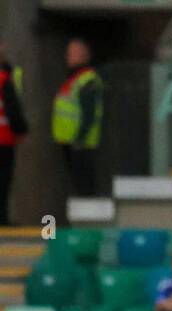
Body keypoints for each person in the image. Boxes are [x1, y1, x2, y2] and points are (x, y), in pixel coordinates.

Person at [52, 38, 102, 198]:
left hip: (82, 142)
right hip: (71, 141)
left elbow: (89, 113)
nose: (68, 56)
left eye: (72, 52)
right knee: (77, 184)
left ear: (84, 55)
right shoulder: (74, 78)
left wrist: (79, 138)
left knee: (85, 185)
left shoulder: (87, 79)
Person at [0, 40, 29, 226]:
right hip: (3, 141)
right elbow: (13, 110)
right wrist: (21, 130)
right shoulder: (4, 80)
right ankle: (2, 219)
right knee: (3, 181)